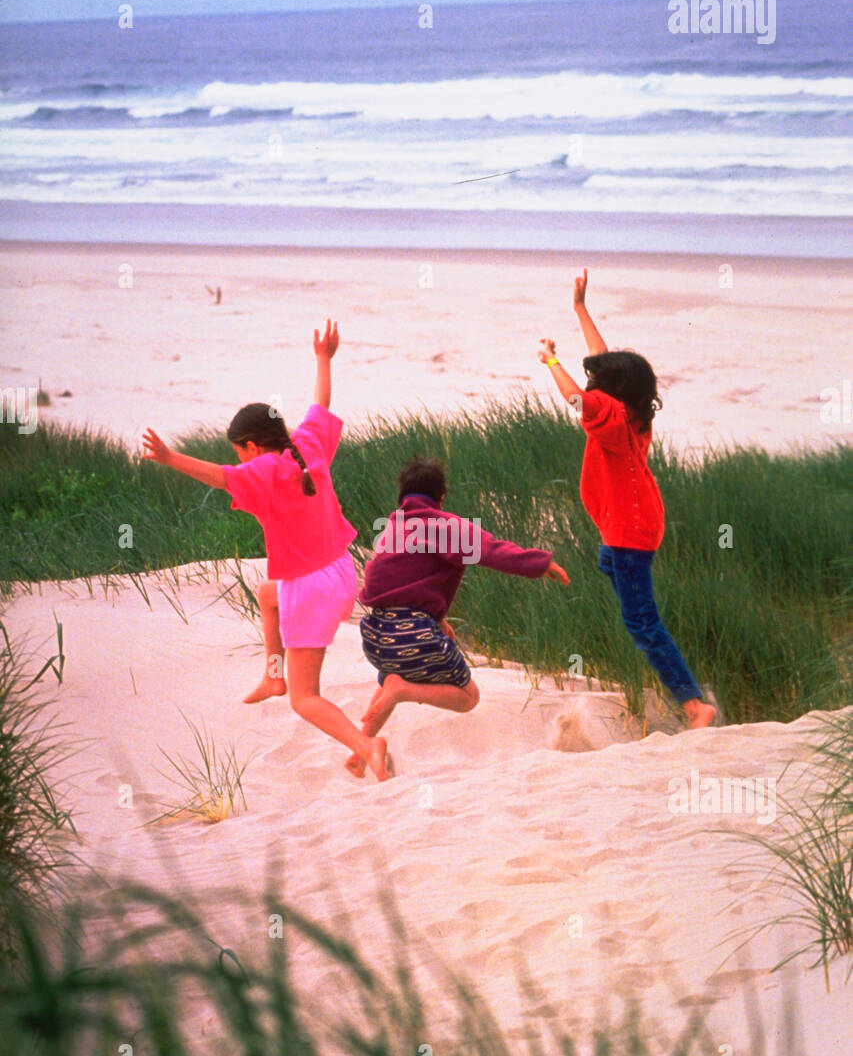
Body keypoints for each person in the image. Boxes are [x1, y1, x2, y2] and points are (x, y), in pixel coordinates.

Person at [142, 320, 394, 781]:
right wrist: (323, 358)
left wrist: (169, 458)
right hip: (340, 571)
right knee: (265, 592)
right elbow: (321, 403)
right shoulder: (307, 446)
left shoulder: (260, 472)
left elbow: (220, 476)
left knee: (305, 699)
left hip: (311, 586)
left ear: (253, 447)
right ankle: (272, 673)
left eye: (240, 451)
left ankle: (366, 745)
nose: (240, 459)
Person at [539, 268, 716, 729]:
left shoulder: (607, 414)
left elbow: (576, 398)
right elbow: (602, 361)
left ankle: (695, 705)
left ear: (609, 391)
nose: (592, 376)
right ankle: (692, 698)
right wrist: (580, 309)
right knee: (609, 566)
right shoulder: (632, 410)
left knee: (641, 623)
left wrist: (550, 362)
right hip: (637, 521)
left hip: (629, 529)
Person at [345, 455, 569, 776]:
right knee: (468, 697)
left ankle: (359, 752)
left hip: (376, 636)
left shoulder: (392, 530)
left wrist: (437, 620)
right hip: (413, 630)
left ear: (402, 498)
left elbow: (399, 585)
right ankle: (404, 691)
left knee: (390, 678)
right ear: (441, 498)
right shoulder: (444, 526)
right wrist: (539, 563)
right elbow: (491, 550)